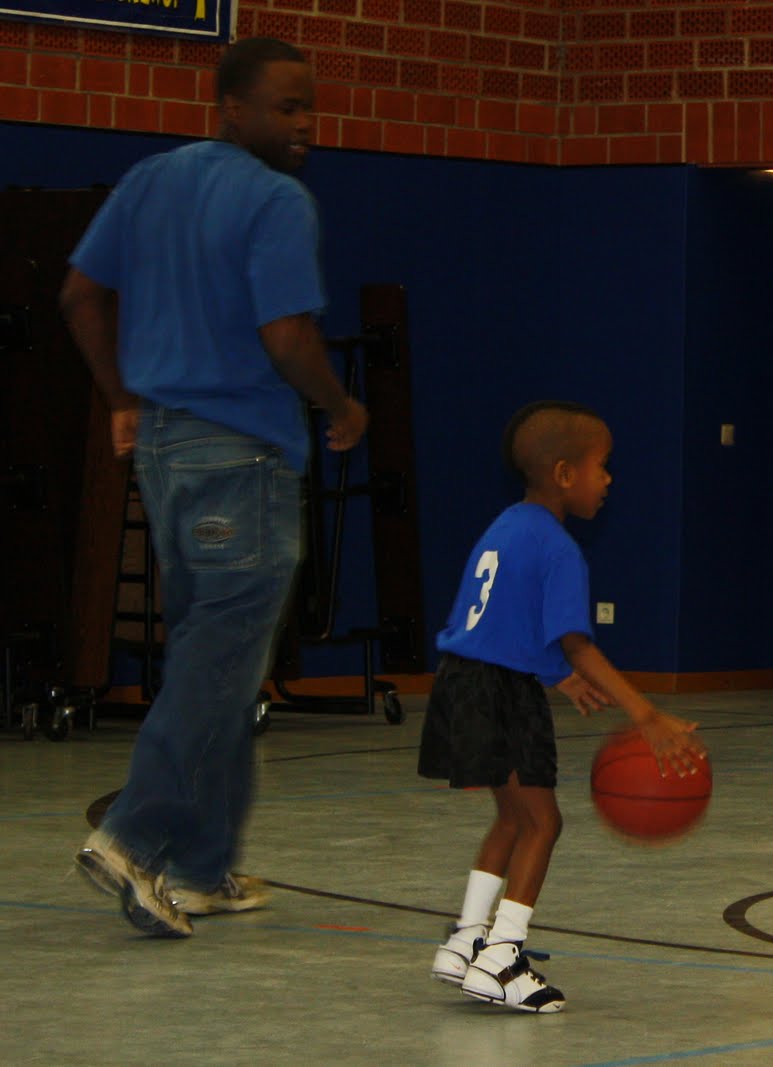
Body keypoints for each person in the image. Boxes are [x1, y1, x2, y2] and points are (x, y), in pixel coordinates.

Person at [61, 37, 367, 938]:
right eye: (287, 107)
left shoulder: (151, 179)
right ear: (231, 107)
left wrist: (123, 399)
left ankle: (201, 866)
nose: (306, 124)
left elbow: (81, 295)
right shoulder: (277, 200)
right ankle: (132, 835)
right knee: (218, 661)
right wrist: (342, 403)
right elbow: (285, 335)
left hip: (165, 449)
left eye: (311, 106)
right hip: (245, 455)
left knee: (223, 661)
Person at [420, 400, 704, 1013]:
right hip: (501, 693)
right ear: (564, 474)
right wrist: (646, 714)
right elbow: (577, 639)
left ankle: (465, 940)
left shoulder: (507, 525)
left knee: (512, 818)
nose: (609, 480)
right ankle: (502, 957)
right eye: (603, 466)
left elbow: (503, 619)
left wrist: (556, 675)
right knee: (544, 823)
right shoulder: (560, 549)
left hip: (460, 681)